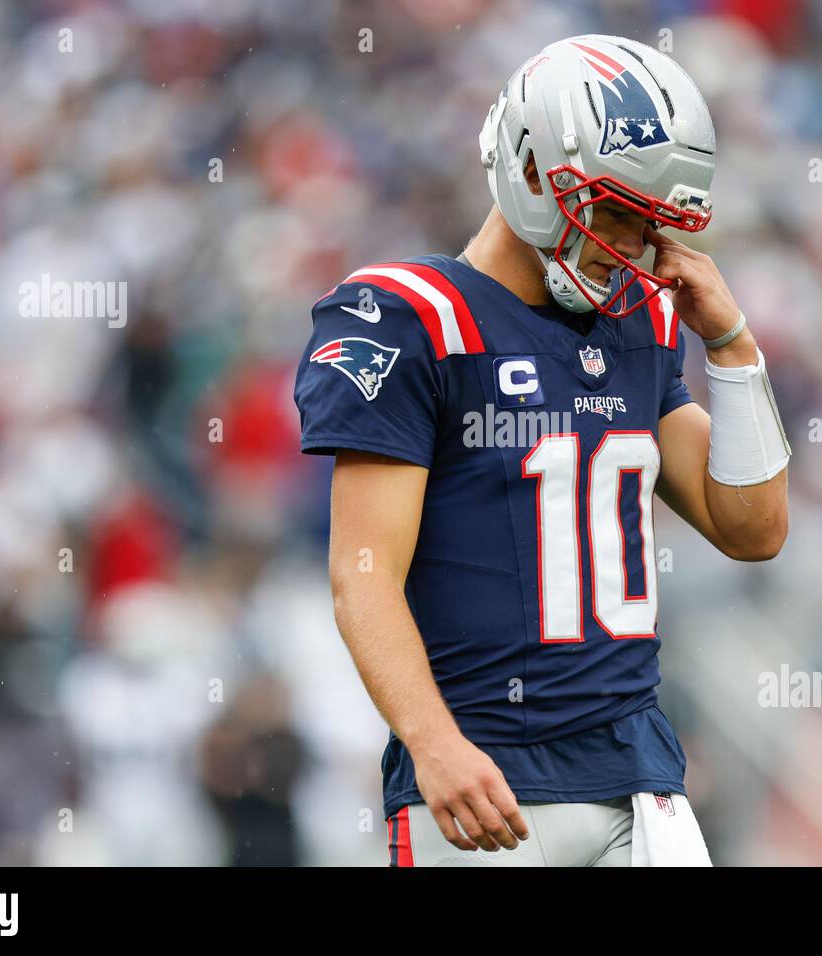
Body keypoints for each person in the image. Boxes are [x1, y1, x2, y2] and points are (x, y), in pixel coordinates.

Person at [293, 34, 790, 866]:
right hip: (484, 787)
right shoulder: (410, 317)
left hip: (639, 778)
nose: (633, 245)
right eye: (617, 210)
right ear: (531, 173)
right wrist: (431, 741)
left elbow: (753, 527)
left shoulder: (643, 326)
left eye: (652, 221)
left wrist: (734, 347)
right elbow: (363, 571)